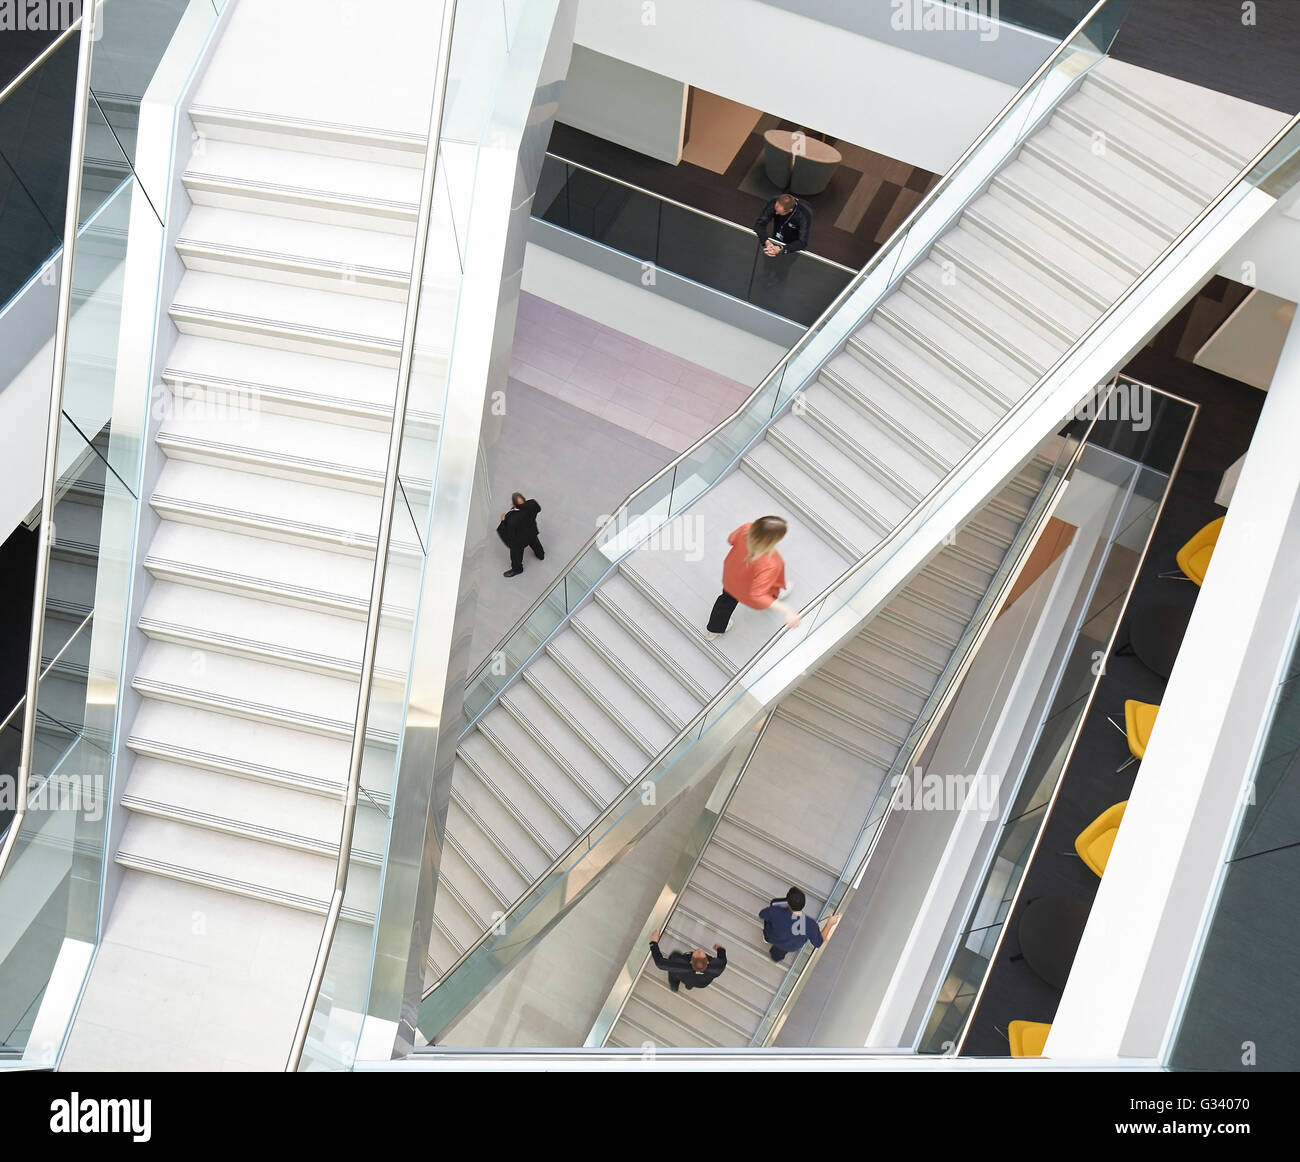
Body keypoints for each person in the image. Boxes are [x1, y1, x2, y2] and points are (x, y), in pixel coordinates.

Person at [706, 516, 801, 637]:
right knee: (768, 586)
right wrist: (786, 610)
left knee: (726, 600)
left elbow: (731, 539)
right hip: (746, 586)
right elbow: (758, 595)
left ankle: (714, 630)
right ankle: (773, 597)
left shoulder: (746, 528)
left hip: (731, 576)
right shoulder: (770, 563)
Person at [759, 888, 838, 962]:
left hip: (772, 937)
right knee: (781, 949)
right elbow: (818, 943)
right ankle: (776, 957)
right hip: (792, 946)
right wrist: (829, 924)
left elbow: (762, 914)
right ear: (803, 904)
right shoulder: (810, 925)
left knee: (771, 925)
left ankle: (768, 942)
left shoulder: (775, 912)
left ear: (788, 903)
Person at [649, 930, 727, 992]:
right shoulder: (717, 967)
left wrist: (653, 942)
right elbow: (722, 957)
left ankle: (674, 987)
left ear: (690, 962)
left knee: (674, 959)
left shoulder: (681, 966)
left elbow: (660, 964)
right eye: (702, 956)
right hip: (702, 983)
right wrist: (719, 949)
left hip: (684, 976)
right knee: (689, 984)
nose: (699, 951)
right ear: (707, 962)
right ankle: (688, 986)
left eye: (696, 955)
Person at [497, 492, 544, 578]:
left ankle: (517, 569)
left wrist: (503, 521)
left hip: (519, 541)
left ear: (513, 504)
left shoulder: (511, 519)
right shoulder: (532, 504)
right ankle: (540, 555)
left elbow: (507, 534)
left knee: (516, 556)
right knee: (535, 543)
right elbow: (538, 508)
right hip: (531, 532)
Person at [754, 193, 812, 258]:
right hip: (777, 234)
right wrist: (767, 242)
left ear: (790, 210)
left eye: (779, 212)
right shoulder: (774, 201)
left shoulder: (804, 214)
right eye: (776, 209)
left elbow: (802, 242)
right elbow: (759, 224)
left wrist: (782, 249)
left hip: (792, 245)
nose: (776, 213)